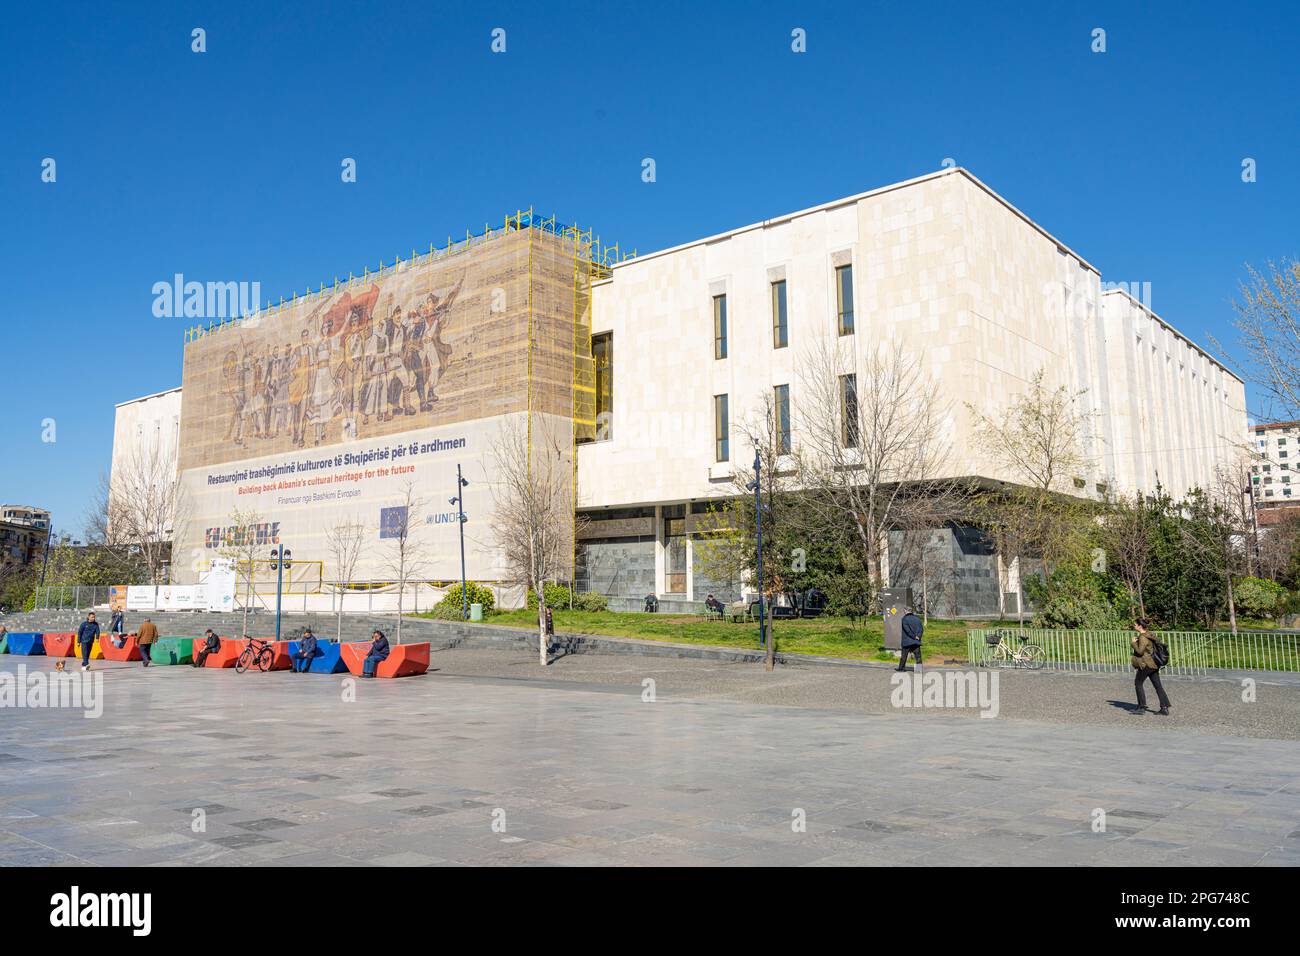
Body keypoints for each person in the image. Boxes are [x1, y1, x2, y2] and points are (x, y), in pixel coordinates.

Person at [1130, 618, 1171, 716]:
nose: (1134, 626)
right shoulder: (1150, 634)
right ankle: (1164, 708)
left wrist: (1133, 643)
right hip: (1154, 664)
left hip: (1146, 664)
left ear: (1140, 626)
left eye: (1135, 624)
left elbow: (1140, 651)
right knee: (1158, 686)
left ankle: (1141, 707)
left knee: (1138, 683)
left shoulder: (1143, 637)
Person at [897, 607, 924, 672]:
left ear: (906, 611)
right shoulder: (917, 619)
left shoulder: (904, 619)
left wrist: (914, 636)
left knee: (904, 656)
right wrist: (918, 637)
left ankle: (901, 669)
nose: (904, 612)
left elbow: (907, 630)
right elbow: (921, 629)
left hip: (907, 641)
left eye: (904, 611)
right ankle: (919, 670)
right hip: (916, 641)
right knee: (918, 656)